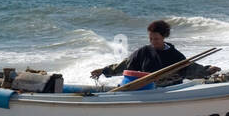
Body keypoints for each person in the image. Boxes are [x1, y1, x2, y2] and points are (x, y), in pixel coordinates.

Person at [90, 19, 218, 85]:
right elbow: (125, 66)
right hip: (148, 90)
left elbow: (190, 69)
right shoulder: (143, 52)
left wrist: (208, 70)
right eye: (150, 38)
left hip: (169, 92)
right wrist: (103, 70)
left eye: (156, 39)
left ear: (164, 37)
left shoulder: (175, 55)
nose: (153, 42)